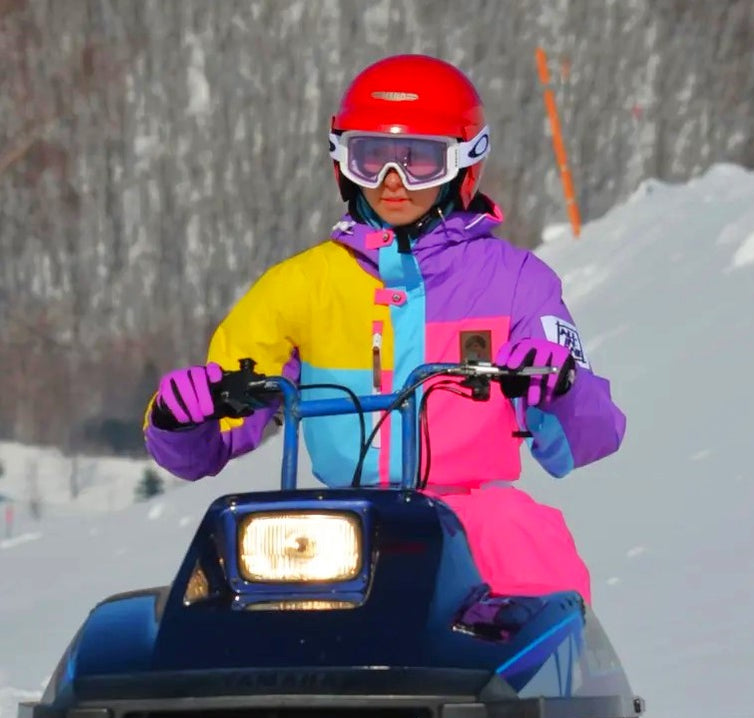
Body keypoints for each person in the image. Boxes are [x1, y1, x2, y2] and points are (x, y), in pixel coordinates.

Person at [144, 54, 625, 603]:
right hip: (337, 533)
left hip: (477, 531)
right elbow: (204, 448)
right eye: (371, 157)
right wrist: (181, 418)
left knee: (531, 562)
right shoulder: (300, 288)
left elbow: (588, 441)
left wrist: (562, 385)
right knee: (239, 593)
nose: (392, 182)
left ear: (463, 165)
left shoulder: (516, 283)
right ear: (343, 161)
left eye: (419, 160)